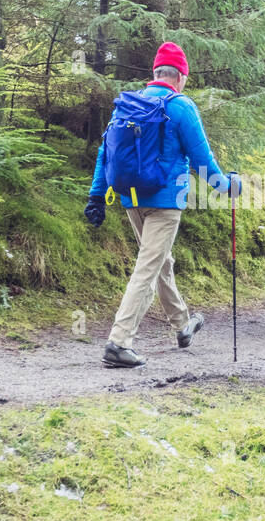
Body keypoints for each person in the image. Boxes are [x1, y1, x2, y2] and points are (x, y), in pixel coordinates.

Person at [84, 42, 241, 368]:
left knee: (159, 261)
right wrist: (228, 186)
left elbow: (105, 152)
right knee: (148, 267)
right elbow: (202, 161)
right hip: (166, 202)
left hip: (131, 199)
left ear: (154, 73)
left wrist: (96, 195)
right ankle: (119, 341)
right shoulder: (181, 106)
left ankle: (182, 324)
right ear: (180, 77)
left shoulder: (128, 103)